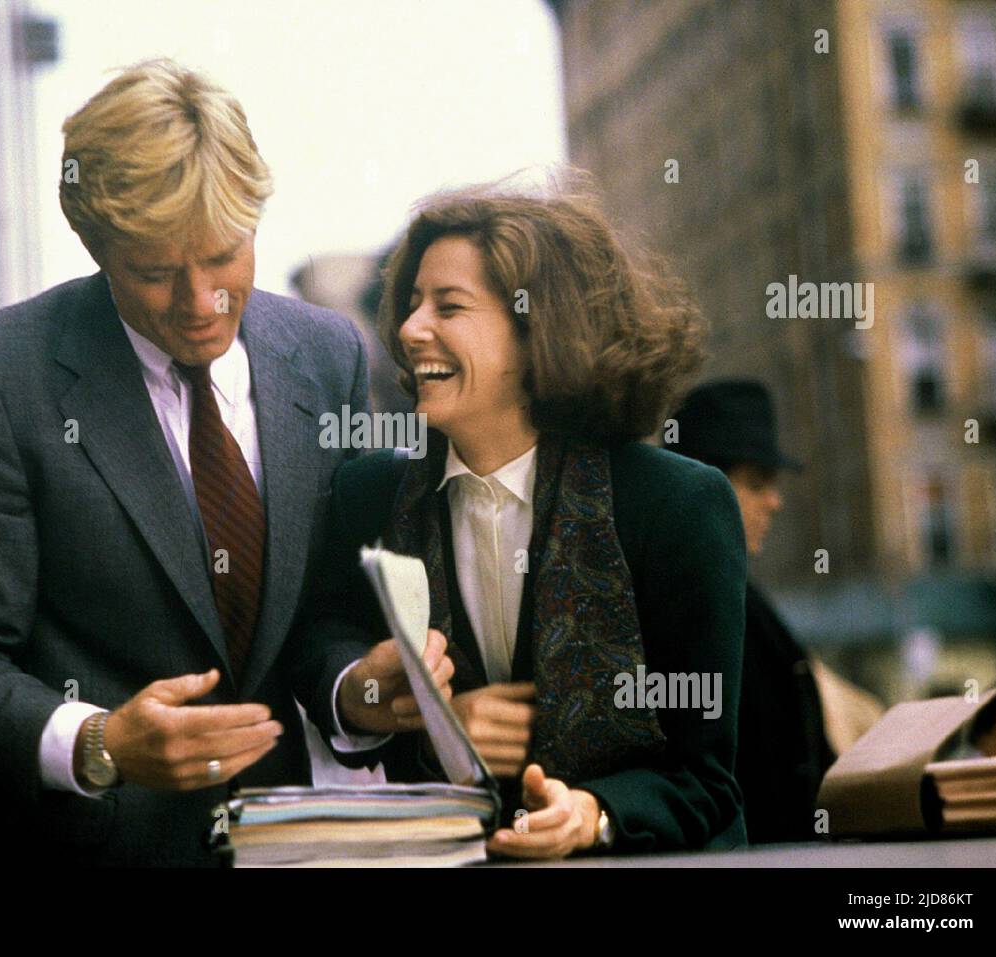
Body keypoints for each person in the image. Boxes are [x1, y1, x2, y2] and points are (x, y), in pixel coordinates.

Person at [0, 58, 447, 867]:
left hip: (293, 847)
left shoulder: (326, 354)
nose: (201, 303)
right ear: (93, 244)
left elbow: (324, 612)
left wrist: (356, 690)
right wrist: (96, 740)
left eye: (224, 257)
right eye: (155, 271)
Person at [306, 174, 749, 859]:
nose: (409, 328)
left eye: (448, 306)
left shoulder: (677, 505)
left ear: (537, 331)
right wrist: (366, 686)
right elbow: (321, 636)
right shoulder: (369, 496)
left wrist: (592, 812)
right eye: (413, 302)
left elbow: (705, 775)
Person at [671, 379, 836, 843]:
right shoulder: (689, 600)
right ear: (705, 484)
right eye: (757, 483)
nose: (774, 501)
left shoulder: (745, 599)